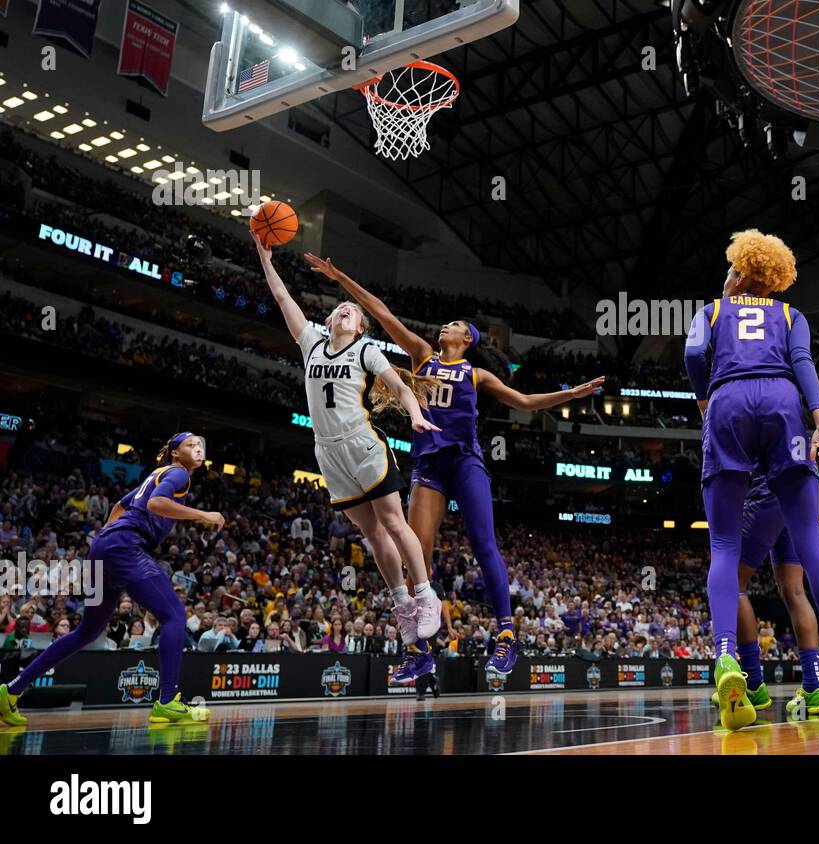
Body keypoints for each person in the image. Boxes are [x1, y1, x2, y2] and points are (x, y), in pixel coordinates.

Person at [301, 253, 602, 680]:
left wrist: (570, 394)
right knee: (414, 551)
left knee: (483, 542)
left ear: (467, 338)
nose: (447, 326)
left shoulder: (477, 375)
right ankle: (420, 651)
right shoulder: (422, 356)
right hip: (428, 465)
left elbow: (525, 402)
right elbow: (382, 314)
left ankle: (505, 636)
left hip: (465, 461)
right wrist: (340, 276)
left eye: (455, 324)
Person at [684, 229, 819, 730]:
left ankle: (727, 661)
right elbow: (802, 363)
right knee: (813, 550)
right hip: (785, 405)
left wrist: (706, 399)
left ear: (744, 272)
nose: (726, 276)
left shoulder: (711, 311)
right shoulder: (792, 316)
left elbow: (690, 356)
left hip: (728, 401)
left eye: (730, 269)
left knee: (724, 546)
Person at [253, 233, 441, 683]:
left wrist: (414, 414)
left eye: (352, 311)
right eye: (340, 308)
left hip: (362, 443)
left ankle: (426, 594)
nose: (345, 310)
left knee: (395, 524)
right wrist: (265, 257)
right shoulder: (311, 343)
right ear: (330, 320)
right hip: (327, 452)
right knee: (371, 534)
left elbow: (398, 387)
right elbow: (281, 296)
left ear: (359, 327)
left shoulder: (365, 349)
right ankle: (403, 606)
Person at [1, 433, 222, 727]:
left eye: (200, 445)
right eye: (190, 444)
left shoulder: (156, 475)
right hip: (125, 546)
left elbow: (120, 505)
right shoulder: (179, 474)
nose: (197, 448)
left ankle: (11, 690)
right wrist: (203, 515)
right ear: (174, 452)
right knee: (175, 616)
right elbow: (156, 505)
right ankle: (168, 700)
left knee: (87, 631)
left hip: (107, 547)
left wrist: (105, 539)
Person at [709, 476, 819, 720]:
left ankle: (753, 684)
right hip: (795, 492)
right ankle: (813, 687)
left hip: (766, 490)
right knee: (796, 591)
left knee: (732, 581)